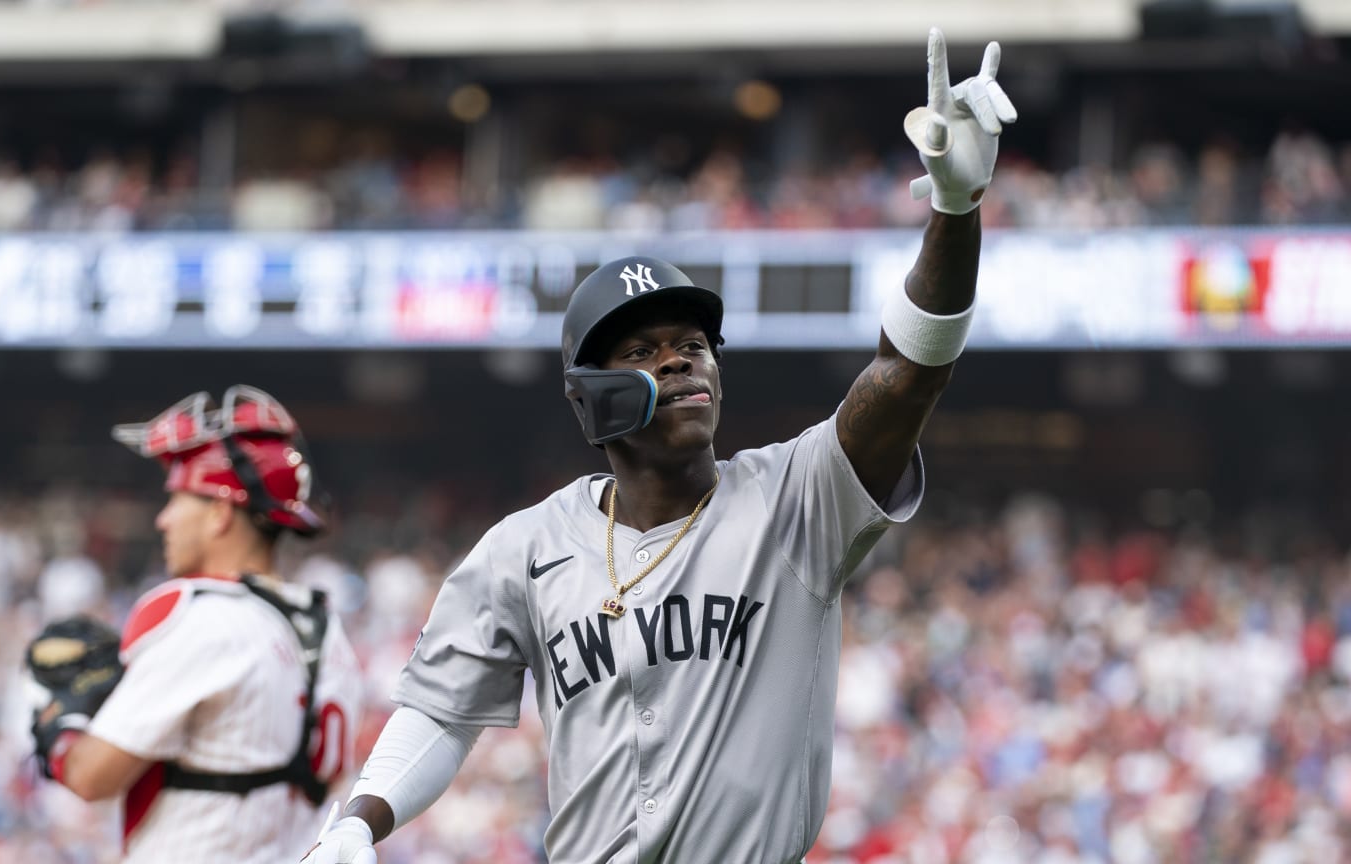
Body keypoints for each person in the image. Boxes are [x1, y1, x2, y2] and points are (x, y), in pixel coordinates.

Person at [303, 27, 1015, 863]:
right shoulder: (524, 548)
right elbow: (441, 711)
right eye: (642, 351)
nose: (680, 358)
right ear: (589, 397)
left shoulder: (796, 499)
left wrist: (955, 211)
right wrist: (359, 821)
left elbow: (906, 375)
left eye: (693, 344)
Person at [25, 384, 364, 864]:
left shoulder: (201, 614)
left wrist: (58, 722)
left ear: (220, 514)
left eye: (178, 499)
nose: (163, 520)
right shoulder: (328, 629)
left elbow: (89, 777)